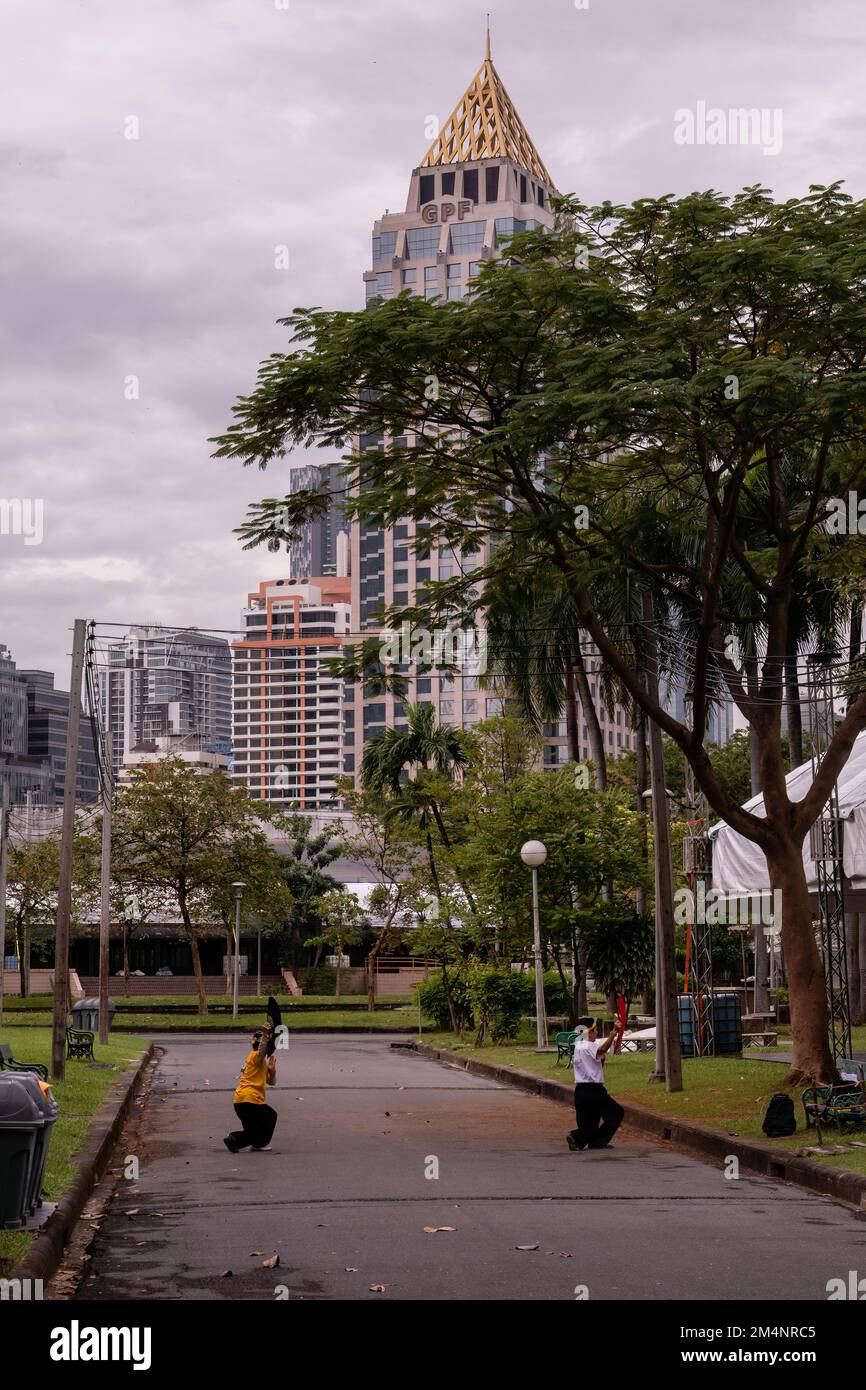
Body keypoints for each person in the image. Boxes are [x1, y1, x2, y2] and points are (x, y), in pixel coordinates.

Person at [566, 1014, 625, 1152]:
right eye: (595, 1030)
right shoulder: (588, 1045)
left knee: (590, 1125)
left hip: (580, 1091)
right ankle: (576, 1136)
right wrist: (613, 1033)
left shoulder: (578, 1046)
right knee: (616, 1113)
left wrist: (602, 1060)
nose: (597, 1033)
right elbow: (602, 1049)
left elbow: (595, 1064)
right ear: (589, 1032)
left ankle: (589, 1142)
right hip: (593, 1091)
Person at [224, 1021, 278, 1153]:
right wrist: (266, 1035)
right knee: (270, 1116)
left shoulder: (258, 1063)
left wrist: (272, 1070)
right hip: (250, 1100)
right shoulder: (255, 1057)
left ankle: (236, 1141)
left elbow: (271, 1082)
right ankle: (235, 1138)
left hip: (240, 1101)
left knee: (253, 1129)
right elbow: (261, 1051)